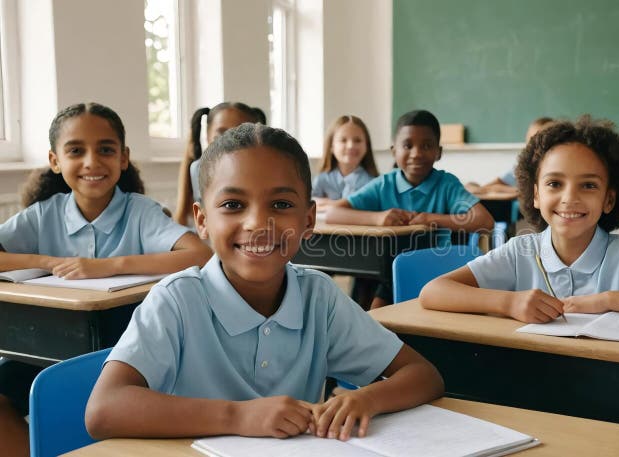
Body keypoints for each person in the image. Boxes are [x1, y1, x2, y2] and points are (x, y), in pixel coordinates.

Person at [85, 123, 444, 442]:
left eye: (281, 204)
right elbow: (104, 410)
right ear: (202, 220)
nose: (258, 222)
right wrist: (237, 416)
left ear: (308, 220)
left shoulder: (317, 297)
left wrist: (365, 398)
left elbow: (423, 375)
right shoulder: (176, 301)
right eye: (232, 204)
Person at [419, 117, 619, 457]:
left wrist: (607, 301)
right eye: (555, 183)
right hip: (531, 405)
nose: (569, 198)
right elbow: (434, 292)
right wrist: (509, 303)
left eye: (588, 185)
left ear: (609, 198)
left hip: (614, 410)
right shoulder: (521, 251)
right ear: (535, 193)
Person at [0, 102, 212, 457]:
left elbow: (200, 255)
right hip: (50, 348)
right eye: (76, 150)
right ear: (55, 161)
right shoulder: (42, 215)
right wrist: (46, 261)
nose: (92, 162)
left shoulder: (140, 212)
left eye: (106, 150)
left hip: (128, 351)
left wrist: (110, 266)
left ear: (123, 158)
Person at [326, 109, 494, 308]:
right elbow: (333, 213)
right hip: (388, 267)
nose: (416, 153)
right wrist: (377, 218)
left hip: (436, 267)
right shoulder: (384, 185)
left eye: (426, 146)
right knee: (370, 293)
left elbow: (485, 221)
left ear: (438, 152)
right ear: (394, 151)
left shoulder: (446, 184)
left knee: (384, 286)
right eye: (407, 145)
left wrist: (430, 219)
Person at [173, 102, 266, 225]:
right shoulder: (199, 169)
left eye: (241, 136)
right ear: (207, 136)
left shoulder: (266, 170)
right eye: (220, 136)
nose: (229, 144)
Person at [465, 116, 554, 195]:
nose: (531, 142)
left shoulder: (551, 164)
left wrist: (499, 189)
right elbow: (501, 181)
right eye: (529, 137)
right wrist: (482, 189)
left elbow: (532, 191)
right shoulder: (524, 161)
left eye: (536, 138)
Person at [313, 115, 379, 209]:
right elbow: (308, 205)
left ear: (366, 146)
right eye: (343, 140)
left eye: (357, 140)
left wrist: (327, 203)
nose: (350, 146)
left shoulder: (373, 182)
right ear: (331, 146)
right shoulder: (322, 178)